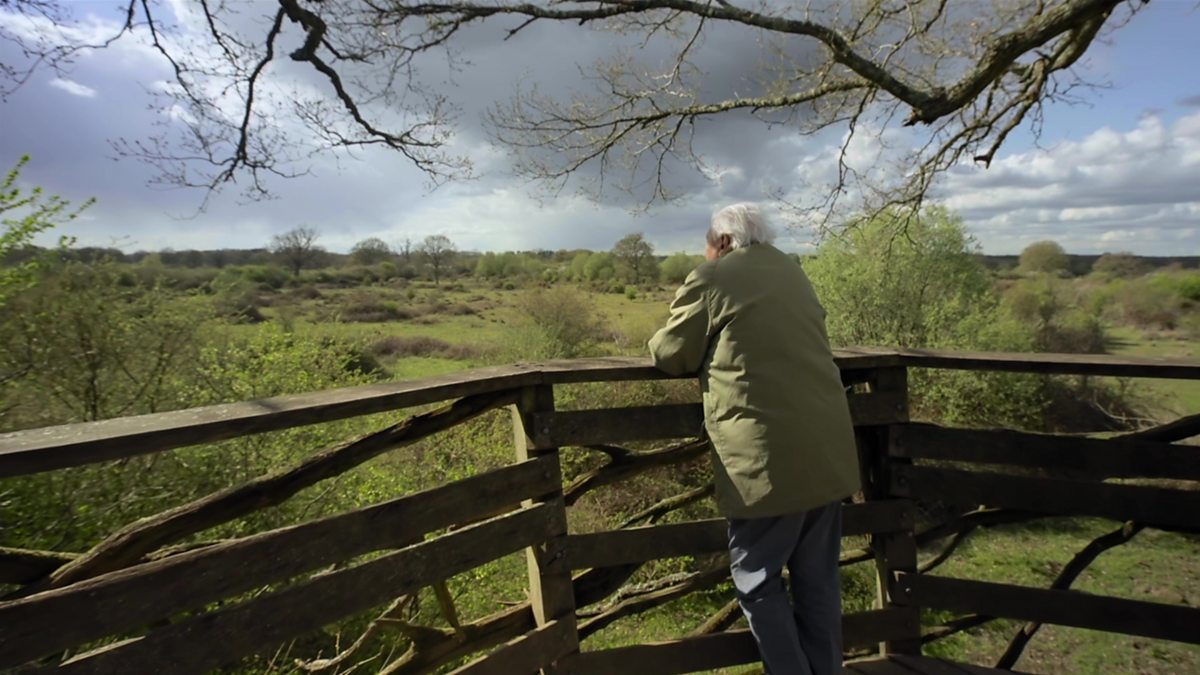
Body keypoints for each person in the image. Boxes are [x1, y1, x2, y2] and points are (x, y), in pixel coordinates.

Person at [648, 203, 860, 675]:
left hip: (765, 463)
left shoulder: (715, 276)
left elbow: (671, 353)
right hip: (826, 455)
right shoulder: (792, 270)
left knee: (757, 583)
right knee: (818, 584)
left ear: (722, 242)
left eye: (707, 243)